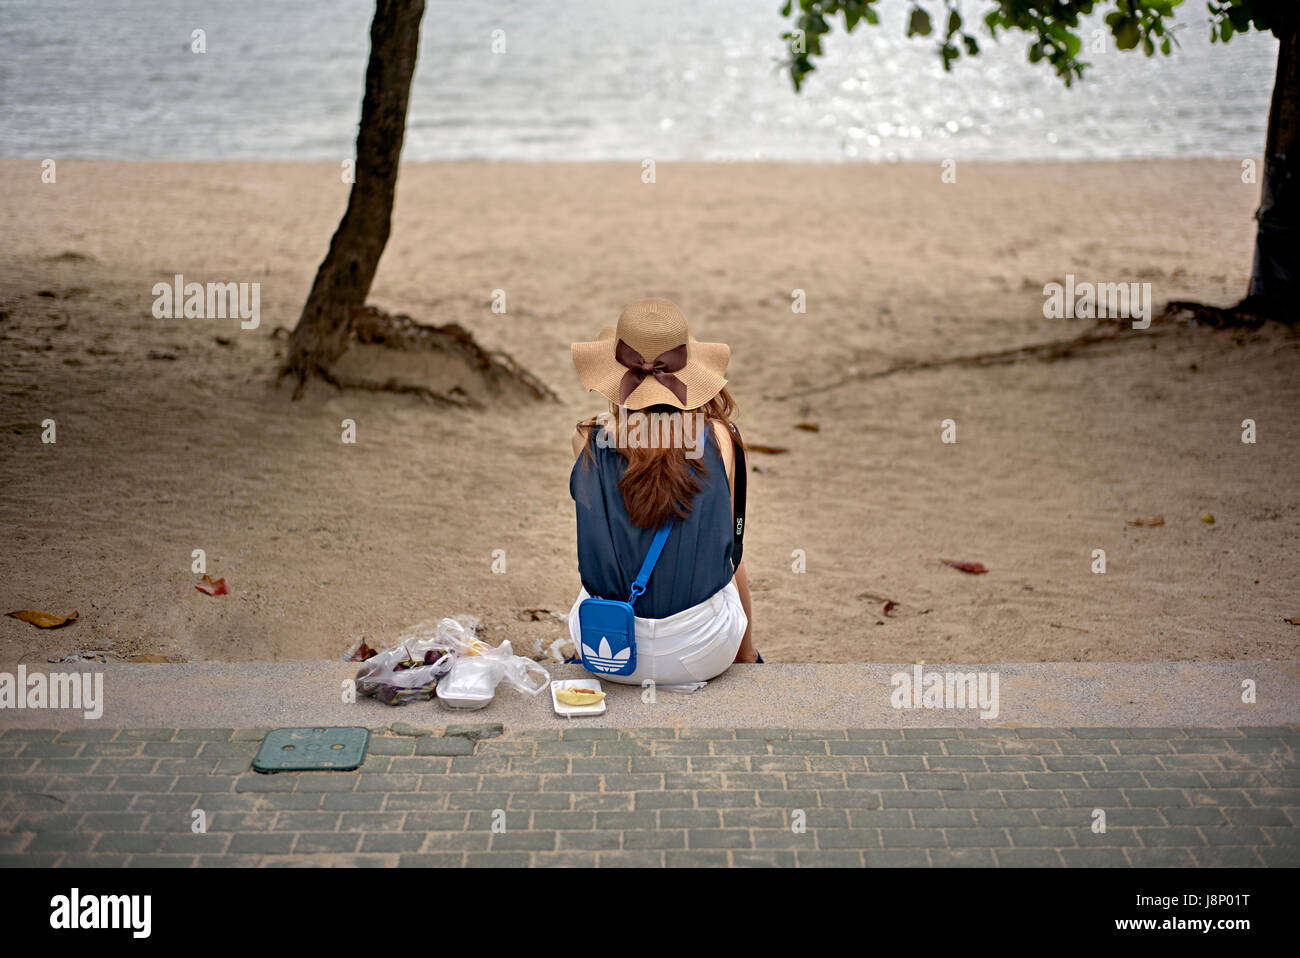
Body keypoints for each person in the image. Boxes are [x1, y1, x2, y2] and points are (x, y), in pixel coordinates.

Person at [566, 298, 759, 687]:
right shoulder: (720, 439)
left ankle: (584, 648)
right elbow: (731, 554)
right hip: (702, 653)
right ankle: (743, 654)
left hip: (609, 651)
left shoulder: (587, 440)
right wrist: (746, 654)